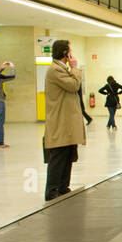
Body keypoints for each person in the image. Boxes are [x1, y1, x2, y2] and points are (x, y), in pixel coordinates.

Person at [42, 39, 85, 200]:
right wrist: (75, 68)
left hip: (67, 121)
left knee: (68, 154)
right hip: (60, 121)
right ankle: (52, 190)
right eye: (70, 51)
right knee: (59, 156)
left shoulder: (61, 69)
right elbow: (74, 85)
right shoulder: (55, 70)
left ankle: (63, 187)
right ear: (65, 53)